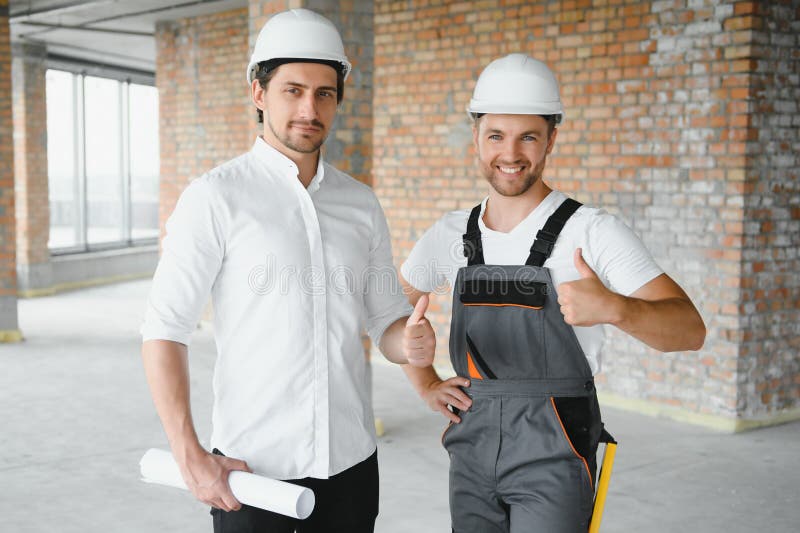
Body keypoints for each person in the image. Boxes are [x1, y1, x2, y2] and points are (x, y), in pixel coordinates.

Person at [140, 9, 435, 533]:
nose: (309, 107)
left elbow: (386, 321)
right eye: (292, 90)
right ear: (259, 93)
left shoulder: (361, 204)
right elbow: (165, 329)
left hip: (351, 467)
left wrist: (407, 344)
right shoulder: (215, 197)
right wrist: (189, 455)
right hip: (253, 472)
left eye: (324, 93)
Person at [400, 53, 706, 532]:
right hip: (472, 444)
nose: (510, 153)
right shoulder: (449, 234)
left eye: (528, 136)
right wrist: (425, 381)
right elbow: (397, 311)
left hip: (556, 447)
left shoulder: (592, 231)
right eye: (496, 135)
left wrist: (615, 308)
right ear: (476, 137)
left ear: (551, 140)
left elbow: (689, 330)